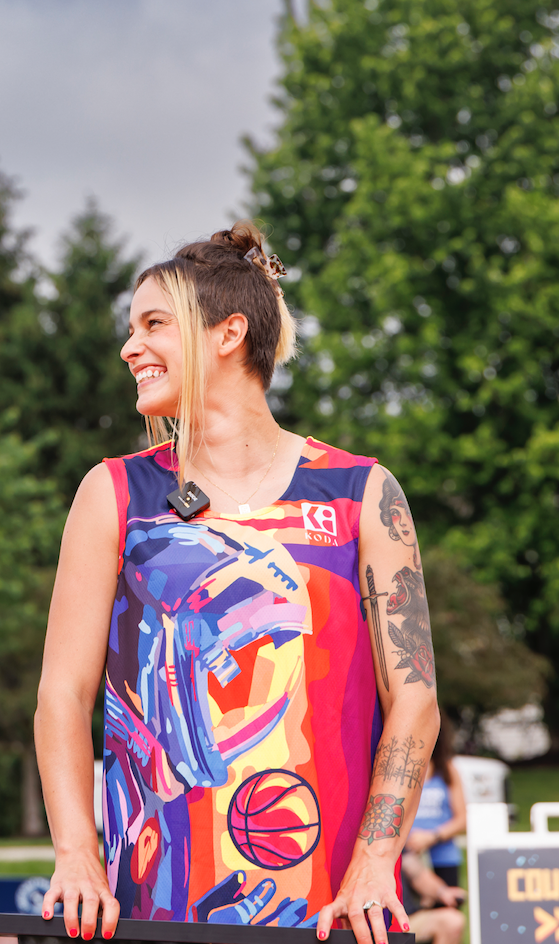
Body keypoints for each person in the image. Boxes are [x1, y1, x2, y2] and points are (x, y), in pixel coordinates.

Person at [34, 222, 441, 944]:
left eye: (153, 323)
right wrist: (76, 855)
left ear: (228, 333)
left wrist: (377, 862)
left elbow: (412, 698)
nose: (129, 347)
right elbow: (62, 693)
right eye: (130, 328)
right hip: (153, 910)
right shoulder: (113, 493)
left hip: (328, 914)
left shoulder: (360, 492)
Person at [406, 718, 466, 888]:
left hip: (443, 857)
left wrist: (432, 837)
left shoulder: (447, 769)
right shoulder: (400, 769)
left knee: (447, 909)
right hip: (406, 857)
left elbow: (462, 819)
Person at [399, 852, 465, 944]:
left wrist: (443, 892)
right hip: (377, 921)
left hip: (407, 919)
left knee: (452, 921)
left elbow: (417, 874)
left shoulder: (396, 844)